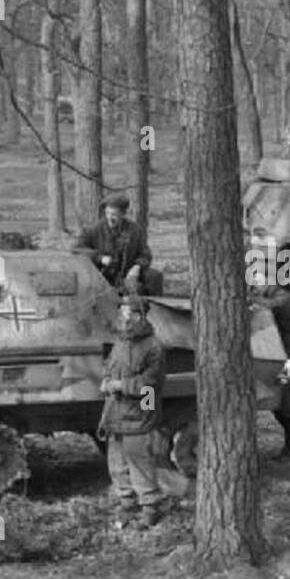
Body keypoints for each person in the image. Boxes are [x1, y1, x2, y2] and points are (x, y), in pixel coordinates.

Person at [99, 292, 167, 528]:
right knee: (117, 464)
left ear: (140, 316)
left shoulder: (153, 347)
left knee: (140, 461)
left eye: (129, 313)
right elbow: (110, 365)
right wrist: (106, 379)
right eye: (122, 312)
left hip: (139, 415)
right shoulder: (120, 340)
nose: (124, 317)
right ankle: (127, 504)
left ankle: (150, 508)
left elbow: (151, 385)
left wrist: (122, 385)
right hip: (115, 413)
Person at [248, 271, 290, 461]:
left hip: (288, 359)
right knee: (275, 398)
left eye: (259, 280)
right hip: (270, 355)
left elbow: (277, 305)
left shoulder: (280, 296)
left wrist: (254, 300)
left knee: (286, 400)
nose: (255, 284)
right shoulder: (261, 295)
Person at [76, 195, 153, 293]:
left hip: (127, 278)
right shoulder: (94, 229)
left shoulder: (135, 230)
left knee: (154, 277)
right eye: (107, 213)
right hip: (101, 278)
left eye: (114, 214)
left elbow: (145, 254)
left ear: (123, 214)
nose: (110, 218)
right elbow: (77, 250)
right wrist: (100, 258)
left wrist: (137, 267)